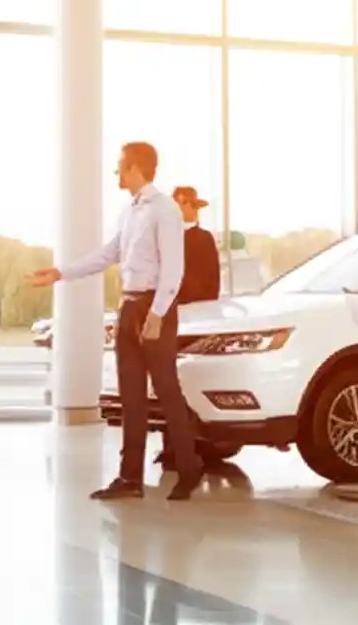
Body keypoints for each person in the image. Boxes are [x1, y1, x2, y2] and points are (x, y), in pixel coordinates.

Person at [28, 142, 204, 501]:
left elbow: (174, 267)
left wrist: (157, 313)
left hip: (154, 310)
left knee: (167, 391)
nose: (117, 173)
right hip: (128, 308)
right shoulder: (129, 212)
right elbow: (108, 254)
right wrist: (61, 272)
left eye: (121, 166)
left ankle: (190, 468)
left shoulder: (165, 210)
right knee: (132, 396)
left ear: (137, 168)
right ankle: (130, 479)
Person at [154, 186, 222, 470]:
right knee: (166, 379)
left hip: (194, 315)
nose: (182, 207)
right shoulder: (166, 238)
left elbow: (212, 281)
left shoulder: (204, 239)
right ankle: (170, 445)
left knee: (186, 379)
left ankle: (191, 445)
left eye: (186, 203)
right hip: (168, 312)